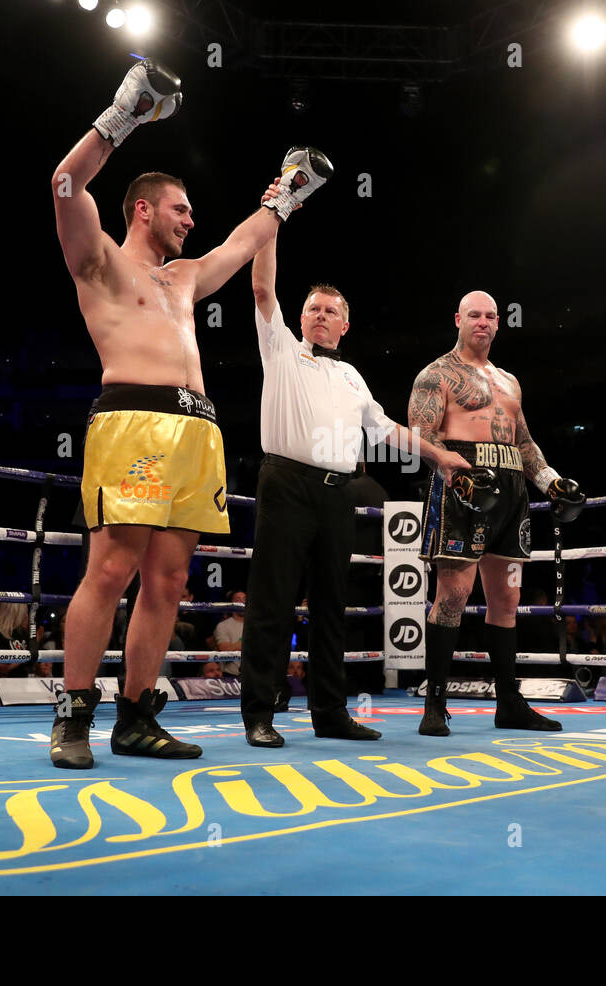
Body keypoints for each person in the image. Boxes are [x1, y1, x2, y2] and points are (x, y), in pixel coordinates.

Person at [48, 59, 329, 769]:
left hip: (196, 430)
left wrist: (285, 195)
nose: (190, 219)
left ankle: (136, 715)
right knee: (111, 569)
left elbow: (241, 242)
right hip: (132, 421)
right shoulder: (104, 265)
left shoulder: (185, 278)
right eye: (180, 209)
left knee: (169, 580)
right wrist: (125, 117)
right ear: (144, 209)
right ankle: (73, 713)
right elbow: (65, 183)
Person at [239, 227, 468, 748]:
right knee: (272, 603)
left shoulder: (352, 378)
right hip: (286, 485)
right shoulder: (280, 350)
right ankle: (259, 713)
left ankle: (330, 712)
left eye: (330, 310)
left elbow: (386, 429)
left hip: (338, 492)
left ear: (345, 324)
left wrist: (439, 455)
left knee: (330, 606)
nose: (320, 315)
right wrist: (274, 219)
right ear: (300, 319)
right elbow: (261, 290)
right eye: (313, 308)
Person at [408, 290, 584, 736]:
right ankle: (435, 705)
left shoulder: (509, 381)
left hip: (510, 490)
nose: (482, 322)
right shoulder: (436, 375)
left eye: (490, 316)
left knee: (507, 600)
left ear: (498, 323)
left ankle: (509, 703)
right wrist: (454, 474)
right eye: (474, 315)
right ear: (458, 320)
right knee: (453, 595)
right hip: (462, 483)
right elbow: (419, 436)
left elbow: (523, 443)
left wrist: (550, 481)